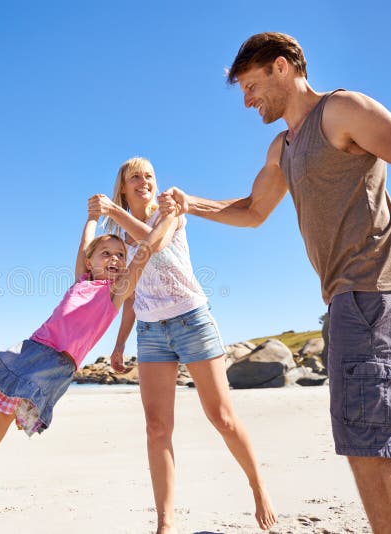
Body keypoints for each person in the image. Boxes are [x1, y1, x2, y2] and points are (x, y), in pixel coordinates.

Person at [158, 32, 391, 534]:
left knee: (367, 438)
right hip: (352, 297)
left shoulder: (341, 111)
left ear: (282, 67)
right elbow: (254, 210)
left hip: (372, 291)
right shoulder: (283, 146)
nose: (246, 100)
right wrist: (190, 203)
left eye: (251, 85)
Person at [0, 204, 177, 502]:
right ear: (89, 262)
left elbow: (144, 253)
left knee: (1, 416)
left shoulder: (117, 292)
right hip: (31, 347)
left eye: (120, 255)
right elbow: (83, 245)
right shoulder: (82, 281)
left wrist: (166, 220)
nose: (115, 258)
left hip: (57, 363)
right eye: (106, 253)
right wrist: (92, 216)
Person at [90, 156, 276, 533]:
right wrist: (119, 344)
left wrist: (112, 210)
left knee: (221, 417)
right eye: (135, 177)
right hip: (150, 332)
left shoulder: (171, 209)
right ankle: (165, 523)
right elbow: (129, 294)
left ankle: (258, 488)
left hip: (193, 321)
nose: (144, 181)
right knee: (156, 428)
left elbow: (154, 243)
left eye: (149, 176)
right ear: (123, 187)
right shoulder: (116, 238)